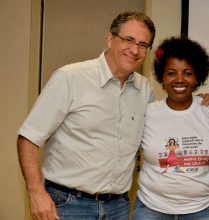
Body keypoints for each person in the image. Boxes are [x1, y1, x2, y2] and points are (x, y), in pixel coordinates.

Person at [17, 11, 156, 220]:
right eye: (128, 39)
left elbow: (161, 135)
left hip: (118, 206)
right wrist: (36, 193)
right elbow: (28, 138)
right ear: (110, 39)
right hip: (68, 205)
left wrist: (201, 102)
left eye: (143, 45)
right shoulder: (70, 78)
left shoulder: (145, 90)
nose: (135, 50)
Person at [132, 37, 209, 220]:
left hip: (202, 209)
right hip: (151, 208)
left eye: (188, 73)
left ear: (197, 77)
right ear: (162, 78)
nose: (179, 80)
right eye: (171, 73)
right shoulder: (148, 113)